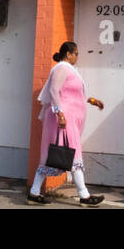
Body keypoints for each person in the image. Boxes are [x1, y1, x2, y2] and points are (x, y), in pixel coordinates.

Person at [28, 41, 106, 206]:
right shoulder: (61, 68)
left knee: (54, 155)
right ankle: (84, 196)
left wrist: (91, 100)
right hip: (62, 119)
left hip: (66, 118)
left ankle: (34, 193)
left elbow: (71, 94)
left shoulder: (69, 70)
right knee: (73, 153)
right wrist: (60, 114)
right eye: (76, 53)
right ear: (68, 54)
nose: (77, 56)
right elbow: (54, 91)